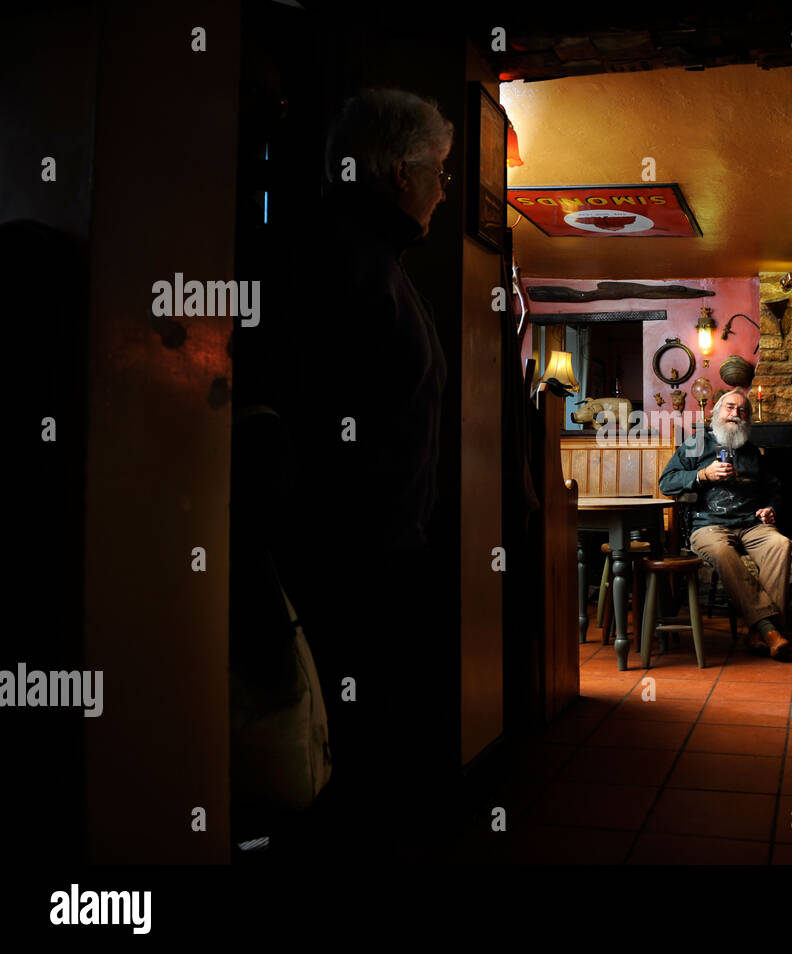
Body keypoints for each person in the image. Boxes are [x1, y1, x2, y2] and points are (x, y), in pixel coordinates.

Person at [266, 88, 454, 858]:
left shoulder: (375, 258)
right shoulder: (346, 260)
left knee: (370, 745)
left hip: (377, 546)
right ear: (399, 172)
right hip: (353, 559)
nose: (445, 187)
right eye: (439, 171)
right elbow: (316, 422)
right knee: (358, 754)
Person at [659, 388, 792, 661]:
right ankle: (769, 630)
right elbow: (666, 482)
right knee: (723, 552)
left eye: (742, 410)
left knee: (781, 544)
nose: (736, 414)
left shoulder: (751, 450)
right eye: (730, 408)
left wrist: (772, 509)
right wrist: (702, 474)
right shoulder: (697, 443)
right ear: (717, 412)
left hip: (751, 524)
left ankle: (758, 632)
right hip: (708, 525)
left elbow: (774, 490)